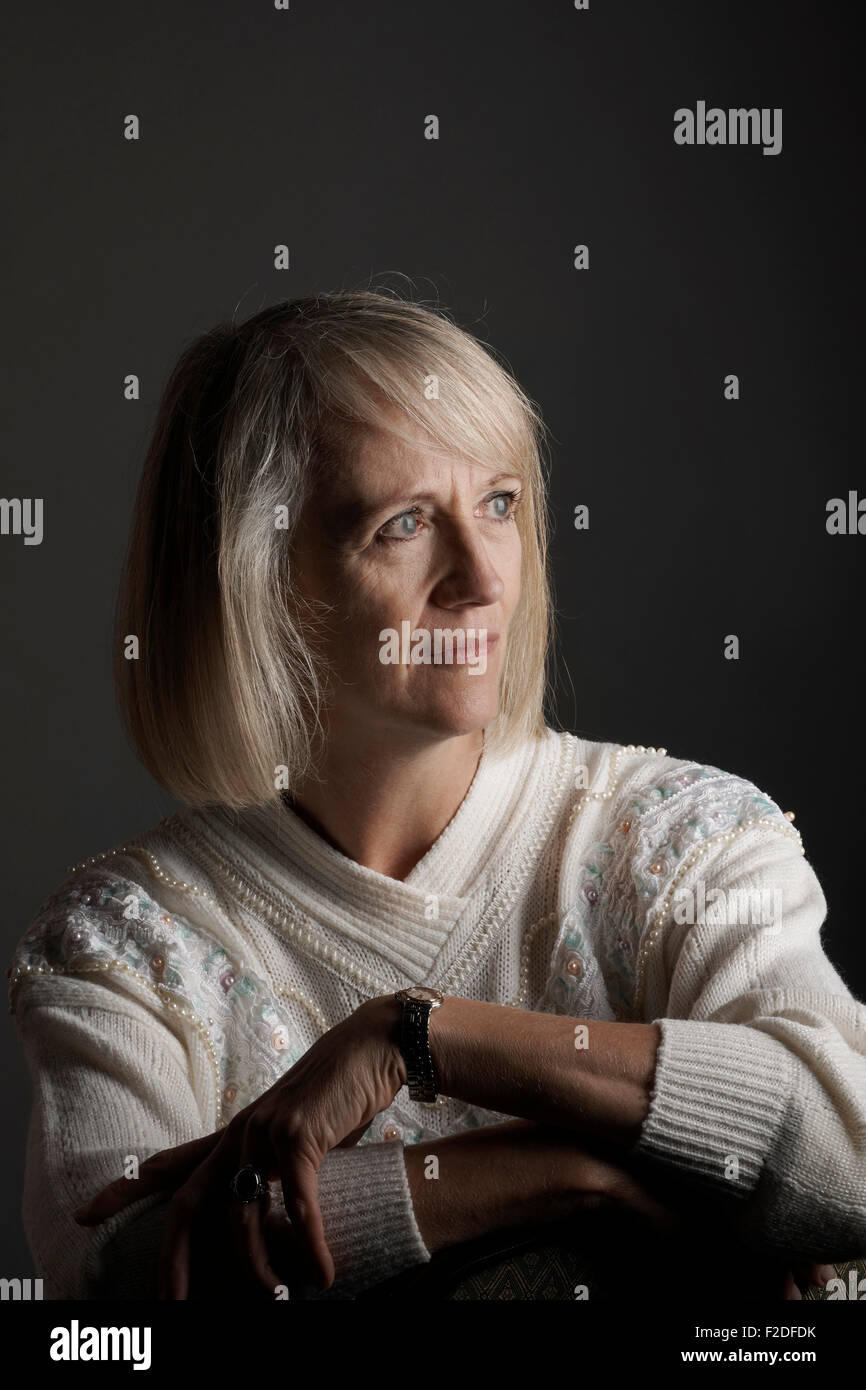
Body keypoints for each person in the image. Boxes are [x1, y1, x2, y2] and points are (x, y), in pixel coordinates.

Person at [9, 290, 866, 1301]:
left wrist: (416, 1033)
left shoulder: (681, 835)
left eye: (498, 504)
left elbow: (844, 1158)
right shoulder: (128, 938)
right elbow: (119, 1284)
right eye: (401, 523)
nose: (482, 576)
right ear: (257, 582)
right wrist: (571, 1174)